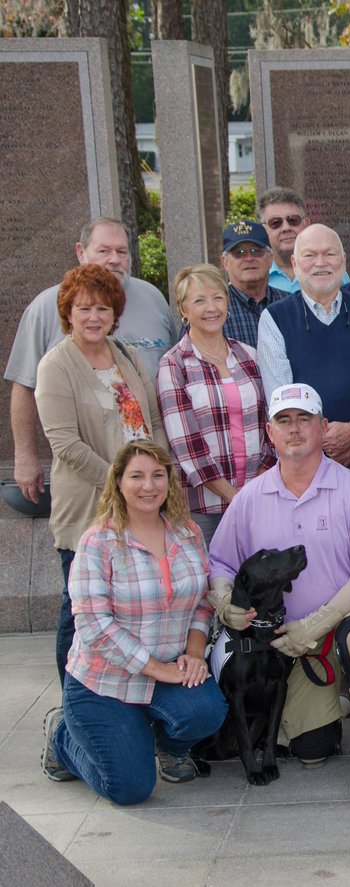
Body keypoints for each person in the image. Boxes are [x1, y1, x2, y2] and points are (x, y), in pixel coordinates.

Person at [209, 383, 350, 797]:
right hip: (282, 645)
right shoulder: (250, 498)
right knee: (311, 750)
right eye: (284, 421)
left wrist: (315, 624)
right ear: (270, 432)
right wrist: (224, 602)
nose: (294, 429)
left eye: (304, 419)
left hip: (340, 621)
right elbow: (220, 562)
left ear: (323, 427)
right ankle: (337, 701)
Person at [40, 440, 227, 805]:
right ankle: (62, 739)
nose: (149, 486)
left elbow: (203, 602)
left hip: (168, 670)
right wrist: (158, 669)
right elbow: (94, 626)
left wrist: (193, 653)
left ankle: (166, 745)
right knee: (131, 788)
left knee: (208, 712)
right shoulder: (98, 542)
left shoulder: (187, 533)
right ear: (119, 482)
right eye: (137, 476)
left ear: (169, 481)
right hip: (103, 682)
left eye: (158, 475)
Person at [256, 223, 350, 684]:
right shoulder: (275, 319)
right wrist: (321, 439)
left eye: (329, 254)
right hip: (307, 464)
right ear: (294, 265)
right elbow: (280, 393)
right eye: (309, 256)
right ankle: (320, 665)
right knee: (318, 558)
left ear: (344, 261)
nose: (320, 263)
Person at [35, 264, 166, 683]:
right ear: (67, 312)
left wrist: (158, 474)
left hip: (141, 502)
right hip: (90, 506)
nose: (94, 317)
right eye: (84, 308)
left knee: (126, 608)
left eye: (103, 309)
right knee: (80, 611)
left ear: (115, 314)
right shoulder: (56, 366)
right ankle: (73, 707)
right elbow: (66, 445)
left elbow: (154, 418)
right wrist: (124, 486)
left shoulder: (124, 354)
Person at [6, 217, 176, 505]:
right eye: (104, 251)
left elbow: (159, 401)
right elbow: (25, 386)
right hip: (93, 491)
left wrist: (158, 472)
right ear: (80, 252)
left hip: (147, 489)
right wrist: (24, 456)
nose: (114, 259)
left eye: (122, 252)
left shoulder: (152, 300)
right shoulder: (45, 309)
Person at [157, 264, 275, 544]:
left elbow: (270, 423)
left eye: (217, 297)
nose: (211, 307)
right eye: (199, 300)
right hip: (204, 508)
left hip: (259, 496)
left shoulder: (249, 356)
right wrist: (236, 498)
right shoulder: (174, 365)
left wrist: (256, 488)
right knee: (212, 585)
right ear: (183, 310)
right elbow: (186, 444)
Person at [259, 186, 349, 292]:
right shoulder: (256, 275)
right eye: (275, 222)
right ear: (264, 229)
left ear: (306, 224)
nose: (286, 228)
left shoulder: (332, 271)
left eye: (293, 220)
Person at [220, 220, 287, 348]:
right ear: (225, 262)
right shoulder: (214, 310)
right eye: (239, 253)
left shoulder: (292, 305)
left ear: (270, 258)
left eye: (256, 251)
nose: (249, 258)